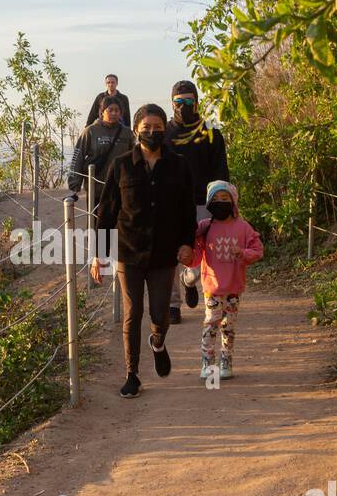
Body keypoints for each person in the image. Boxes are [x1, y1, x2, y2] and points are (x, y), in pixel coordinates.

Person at [92, 104, 196, 398]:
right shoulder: (122, 165)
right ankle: (132, 374)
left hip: (164, 253)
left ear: (165, 128)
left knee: (160, 312)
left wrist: (188, 243)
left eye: (158, 127)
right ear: (136, 129)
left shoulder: (179, 165)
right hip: (129, 251)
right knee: (132, 312)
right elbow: (108, 212)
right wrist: (98, 255)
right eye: (147, 127)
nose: (152, 132)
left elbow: (188, 210)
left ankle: (158, 343)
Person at [164, 79, 229, 324]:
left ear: (197, 102)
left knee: (204, 257)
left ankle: (191, 281)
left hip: (204, 202)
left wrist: (224, 203)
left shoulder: (211, 132)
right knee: (173, 256)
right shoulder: (165, 134)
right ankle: (172, 305)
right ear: (172, 103)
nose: (183, 106)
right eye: (179, 102)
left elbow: (221, 170)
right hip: (171, 205)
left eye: (188, 101)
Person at [188, 180, 263, 381]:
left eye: (225, 198)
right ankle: (207, 362)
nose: (220, 202)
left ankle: (226, 360)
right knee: (211, 322)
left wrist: (243, 253)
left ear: (234, 202)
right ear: (209, 203)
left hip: (234, 288)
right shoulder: (204, 227)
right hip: (212, 287)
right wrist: (188, 250)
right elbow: (195, 257)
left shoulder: (244, 227)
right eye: (215, 199)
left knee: (228, 326)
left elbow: (258, 251)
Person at [67, 95, 132, 194]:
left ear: (121, 113)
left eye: (117, 110)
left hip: (119, 187)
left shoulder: (127, 133)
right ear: (102, 112)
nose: (114, 113)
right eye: (110, 110)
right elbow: (78, 156)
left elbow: (134, 156)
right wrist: (74, 186)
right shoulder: (91, 131)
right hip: (96, 188)